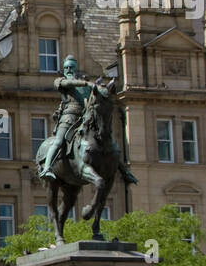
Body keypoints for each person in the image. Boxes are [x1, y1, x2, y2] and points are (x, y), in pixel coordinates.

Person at [38, 55, 138, 185]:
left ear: (76, 68)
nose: (68, 70)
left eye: (71, 67)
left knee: (107, 141)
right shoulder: (60, 81)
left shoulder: (85, 85)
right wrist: (88, 83)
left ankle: (124, 171)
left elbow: (90, 99)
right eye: (66, 67)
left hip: (85, 116)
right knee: (58, 141)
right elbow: (69, 83)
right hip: (68, 117)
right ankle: (46, 168)